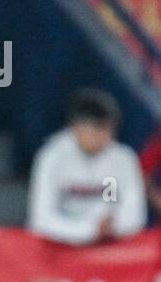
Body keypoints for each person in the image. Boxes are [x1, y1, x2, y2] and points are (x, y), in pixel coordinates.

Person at [27, 89, 147, 246]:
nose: (105, 137)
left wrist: (113, 226)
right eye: (97, 130)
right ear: (76, 127)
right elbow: (40, 219)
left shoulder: (121, 158)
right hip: (60, 249)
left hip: (108, 248)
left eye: (109, 130)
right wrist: (88, 230)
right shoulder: (52, 157)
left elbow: (134, 214)